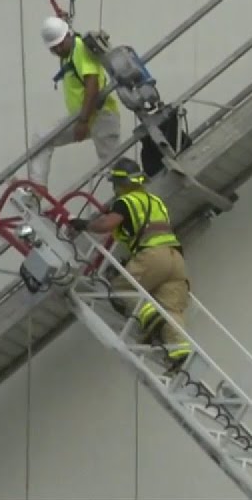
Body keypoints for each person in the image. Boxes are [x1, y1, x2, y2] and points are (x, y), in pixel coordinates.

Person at [69, 158, 192, 368]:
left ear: (121, 183)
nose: (114, 189)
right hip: (176, 259)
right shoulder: (155, 201)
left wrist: (82, 224)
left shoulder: (126, 201)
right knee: (171, 308)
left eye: (115, 185)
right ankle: (179, 352)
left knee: (122, 289)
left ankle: (150, 318)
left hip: (153, 254)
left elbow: (107, 224)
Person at [27, 16, 123, 189]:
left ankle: (130, 198)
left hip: (100, 116)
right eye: (54, 48)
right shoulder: (69, 52)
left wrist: (83, 121)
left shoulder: (79, 48)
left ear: (67, 36)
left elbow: (92, 85)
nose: (58, 49)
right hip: (83, 117)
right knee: (41, 138)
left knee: (115, 168)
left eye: (60, 44)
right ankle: (37, 190)